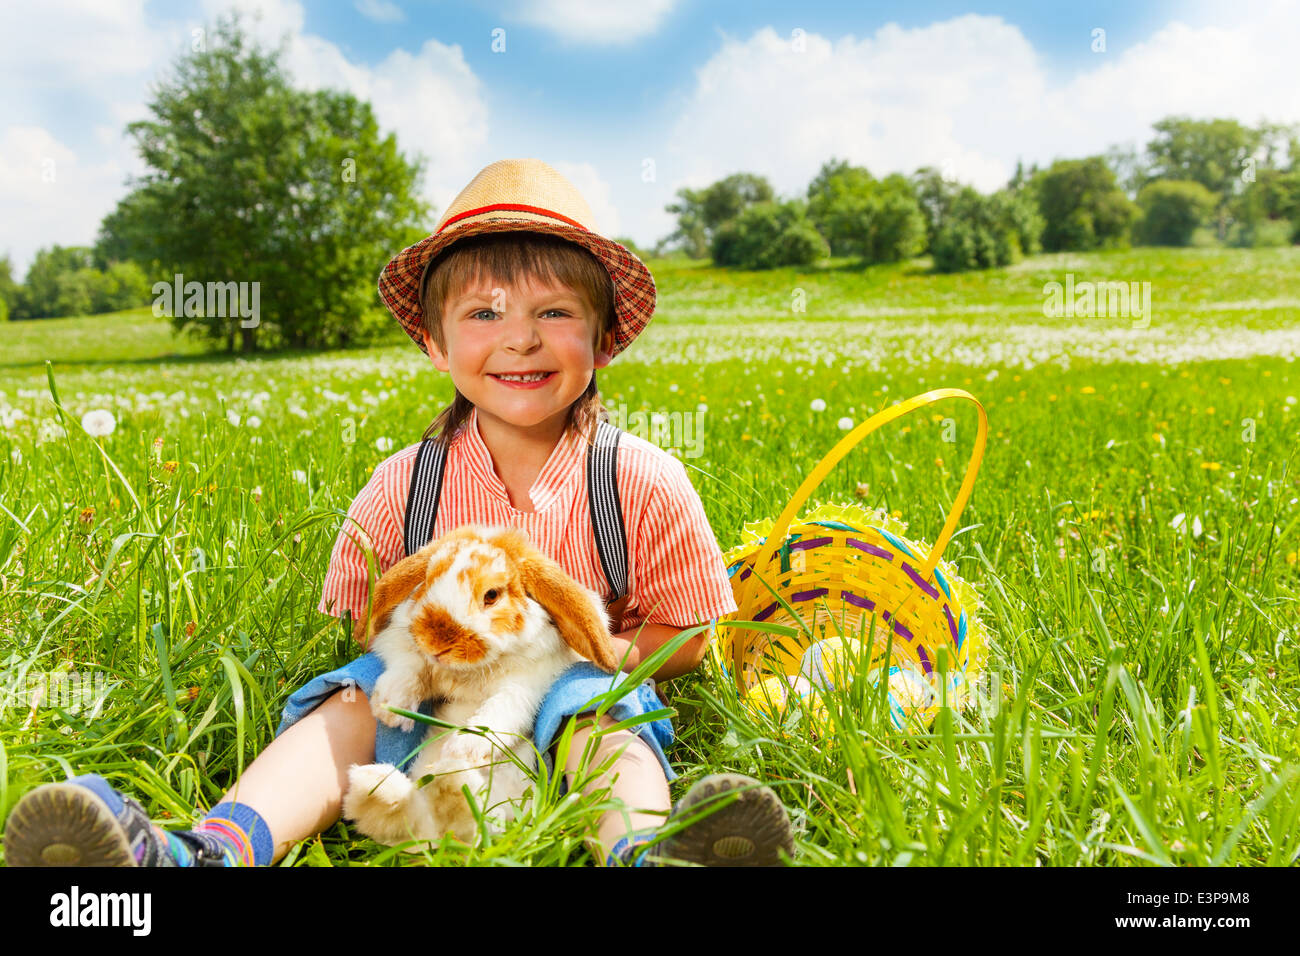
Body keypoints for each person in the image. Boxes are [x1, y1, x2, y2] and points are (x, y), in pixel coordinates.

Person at [3, 158, 794, 868]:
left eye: (554, 313)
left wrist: (594, 655)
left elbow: (690, 636)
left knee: (603, 724)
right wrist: (429, 666)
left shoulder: (638, 479)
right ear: (435, 345)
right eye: (484, 315)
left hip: (567, 691)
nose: (520, 340)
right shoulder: (403, 485)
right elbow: (362, 619)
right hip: (430, 692)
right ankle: (211, 850)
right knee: (352, 700)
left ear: (604, 338)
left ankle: (649, 853)